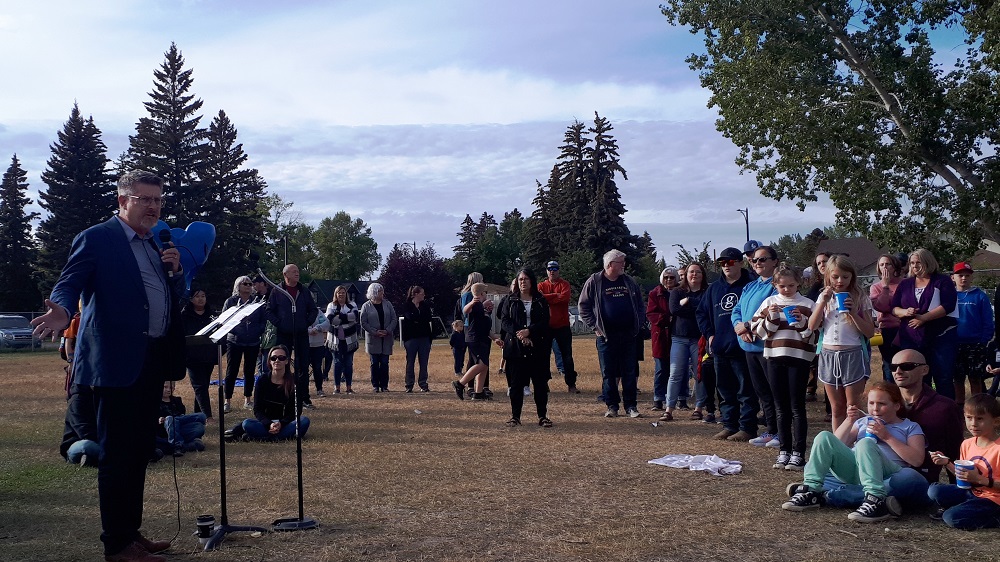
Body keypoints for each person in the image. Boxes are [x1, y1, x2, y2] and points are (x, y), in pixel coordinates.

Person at [32, 170, 184, 562]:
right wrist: (61, 312)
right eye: (144, 199)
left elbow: (162, 299)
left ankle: (130, 533)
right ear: (122, 201)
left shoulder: (154, 245)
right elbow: (70, 282)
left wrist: (177, 274)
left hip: (150, 361)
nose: (153, 206)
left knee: (139, 451)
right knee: (118, 455)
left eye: (158, 200)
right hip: (115, 363)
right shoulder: (98, 238)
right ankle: (117, 545)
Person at [818, 349, 964, 512]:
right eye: (894, 367)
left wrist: (956, 491)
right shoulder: (882, 400)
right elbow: (839, 445)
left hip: (910, 475)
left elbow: (956, 450)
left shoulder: (944, 407)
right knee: (824, 471)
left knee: (903, 481)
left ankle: (834, 495)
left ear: (925, 370)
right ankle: (881, 500)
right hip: (867, 472)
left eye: (907, 366)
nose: (898, 371)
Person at [782, 381, 926, 522]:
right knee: (823, 438)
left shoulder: (909, 427)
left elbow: (917, 460)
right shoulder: (863, 422)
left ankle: (850, 497)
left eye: (882, 404)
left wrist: (887, 437)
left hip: (887, 475)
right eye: (871, 403)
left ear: (896, 405)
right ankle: (811, 491)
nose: (875, 409)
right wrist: (849, 421)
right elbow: (833, 447)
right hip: (856, 472)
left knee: (909, 478)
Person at [750, 263, 817, 470]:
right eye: (781, 286)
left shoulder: (808, 304)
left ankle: (798, 452)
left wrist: (802, 322)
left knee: (797, 406)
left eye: (790, 285)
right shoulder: (769, 302)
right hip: (774, 358)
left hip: (799, 358)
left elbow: (814, 336)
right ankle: (783, 451)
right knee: (781, 407)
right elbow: (758, 332)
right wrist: (771, 318)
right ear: (775, 285)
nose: (786, 290)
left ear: (798, 283)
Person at [808, 255, 876, 430]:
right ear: (828, 276)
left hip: (853, 353)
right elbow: (812, 326)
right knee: (837, 408)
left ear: (852, 276)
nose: (840, 281)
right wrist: (822, 302)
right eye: (835, 277)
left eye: (845, 277)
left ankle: (855, 445)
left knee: (853, 407)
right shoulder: (823, 297)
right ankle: (838, 447)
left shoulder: (860, 297)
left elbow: (869, 332)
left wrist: (853, 312)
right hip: (829, 354)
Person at [578, 249, 646, 419]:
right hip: (605, 336)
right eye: (621, 262)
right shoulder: (595, 281)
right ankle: (612, 406)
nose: (624, 265)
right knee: (608, 372)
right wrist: (595, 327)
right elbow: (583, 306)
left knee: (629, 371)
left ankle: (631, 406)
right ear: (610, 265)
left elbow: (639, 304)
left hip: (629, 335)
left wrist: (638, 323)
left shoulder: (629, 281)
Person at [697, 247, 755, 440]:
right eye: (722, 263)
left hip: (744, 346)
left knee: (745, 390)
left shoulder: (751, 285)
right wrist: (710, 334)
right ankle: (729, 424)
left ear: (740, 262)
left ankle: (747, 427)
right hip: (720, 347)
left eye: (730, 262)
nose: (726, 266)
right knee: (724, 390)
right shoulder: (714, 288)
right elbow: (701, 313)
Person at [891, 248, 959, 399]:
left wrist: (924, 318)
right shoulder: (905, 284)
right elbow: (894, 308)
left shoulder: (942, 281)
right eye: (912, 263)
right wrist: (904, 312)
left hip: (940, 337)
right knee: (918, 377)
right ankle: (920, 412)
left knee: (943, 378)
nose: (915, 266)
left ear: (928, 262)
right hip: (912, 339)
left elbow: (948, 305)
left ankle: (946, 413)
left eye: (918, 262)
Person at [928, 393, 1000, 530]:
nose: (973, 424)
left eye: (980, 419)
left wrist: (980, 479)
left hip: (993, 499)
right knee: (934, 490)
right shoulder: (967, 444)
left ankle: (995, 518)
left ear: (995, 421)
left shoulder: (998, 448)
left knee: (950, 517)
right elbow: (964, 476)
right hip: (971, 492)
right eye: (969, 418)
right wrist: (946, 463)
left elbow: (978, 479)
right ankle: (966, 508)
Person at [732, 245, 780, 447]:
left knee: (775, 391)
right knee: (762, 391)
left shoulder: (778, 286)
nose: (757, 263)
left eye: (762, 259)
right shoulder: (750, 286)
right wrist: (739, 328)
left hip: (768, 346)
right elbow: (737, 310)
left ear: (774, 262)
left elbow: (774, 313)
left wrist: (750, 327)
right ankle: (771, 430)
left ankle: (781, 432)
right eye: (754, 260)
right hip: (749, 347)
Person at [498, 268, 553, 427]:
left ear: (532, 281)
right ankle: (515, 416)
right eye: (520, 279)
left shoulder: (540, 300)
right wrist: (520, 334)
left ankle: (542, 416)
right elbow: (505, 322)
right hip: (515, 348)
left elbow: (545, 323)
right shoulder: (510, 300)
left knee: (540, 383)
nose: (523, 282)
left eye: (526, 279)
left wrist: (530, 332)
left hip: (537, 347)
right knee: (516, 385)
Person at [267, 263, 319, 409]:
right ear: (285, 275)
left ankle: (304, 398)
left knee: (302, 366)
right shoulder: (277, 291)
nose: (297, 273)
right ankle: (283, 396)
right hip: (284, 334)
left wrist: (306, 323)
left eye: (298, 271)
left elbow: (313, 310)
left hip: (301, 334)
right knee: (282, 364)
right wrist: (280, 323)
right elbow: (268, 310)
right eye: (294, 271)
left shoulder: (304, 290)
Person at [662, 263, 707, 421]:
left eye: (698, 272)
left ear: (702, 274)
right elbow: (674, 310)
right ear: (686, 275)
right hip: (679, 338)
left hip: (699, 338)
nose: (694, 275)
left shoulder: (707, 292)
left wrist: (688, 304)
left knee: (699, 374)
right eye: (691, 272)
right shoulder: (677, 291)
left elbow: (706, 311)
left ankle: (698, 408)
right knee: (675, 374)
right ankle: (669, 409)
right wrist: (696, 309)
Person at [243, 345, 311, 440]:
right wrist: (269, 424)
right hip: (266, 424)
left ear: (287, 361)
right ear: (269, 361)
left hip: (286, 423)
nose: (277, 360)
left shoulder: (294, 380)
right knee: (247, 424)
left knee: (304, 421)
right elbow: (257, 409)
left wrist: (281, 424)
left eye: (281, 358)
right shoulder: (263, 380)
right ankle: (280, 437)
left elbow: (297, 410)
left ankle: (264, 438)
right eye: (273, 358)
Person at [952, 261, 994, 404]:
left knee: (975, 377)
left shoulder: (980, 296)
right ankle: (959, 406)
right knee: (957, 378)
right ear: (953, 277)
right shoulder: (949, 296)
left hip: (975, 344)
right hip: (954, 344)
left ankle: (977, 406)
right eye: (960, 275)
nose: (963, 278)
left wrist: (983, 340)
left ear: (971, 278)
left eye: (967, 275)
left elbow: (988, 321)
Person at [222, 275, 266, 412]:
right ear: (238, 286)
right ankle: (227, 401)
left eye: (249, 284)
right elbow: (224, 319)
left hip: (252, 341)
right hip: (234, 340)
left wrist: (257, 332)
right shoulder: (231, 301)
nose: (248, 286)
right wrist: (236, 331)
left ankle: (248, 399)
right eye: (244, 284)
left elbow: (263, 320)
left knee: (250, 371)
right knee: (232, 371)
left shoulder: (257, 302)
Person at [453, 283, 500, 400]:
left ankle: (478, 393)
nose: (487, 296)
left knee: (484, 366)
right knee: (481, 364)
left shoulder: (482, 308)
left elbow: (486, 328)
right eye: (486, 293)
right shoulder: (476, 305)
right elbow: (465, 310)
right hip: (475, 339)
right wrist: (474, 301)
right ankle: (460, 384)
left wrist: (495, 338)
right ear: (481, 293)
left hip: (483, 338)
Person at [539, 260, 580, 393]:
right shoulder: (541, 285)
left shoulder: (564, 284)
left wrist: (549, 298)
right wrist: (555, 296)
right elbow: (539, 299)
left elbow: (565, 298)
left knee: (567, 356)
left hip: (563, 326)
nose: (552, 271)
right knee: (544, 355)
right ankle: (543, 384)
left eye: (555, 269)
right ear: (546, 271)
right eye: (550, 269)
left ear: (558, 270)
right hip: (546, 326)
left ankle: (571, 384)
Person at [647, 266, 678, 412]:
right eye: (666, 277)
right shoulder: (655, 293)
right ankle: (658, 399)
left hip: (678, 334)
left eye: (672, 277)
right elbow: (651, 314)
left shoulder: (681, 292)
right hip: (660, 336)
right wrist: (667, 318)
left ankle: (679, 398)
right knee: (661, 368)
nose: (669, 280)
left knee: (678, 369)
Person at [181, 288, 216, 421]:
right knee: (200, 386)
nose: (201, 299)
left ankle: (198, 414)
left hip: (208, 356)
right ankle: (208, 416)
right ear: (191, 299)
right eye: (197, 296)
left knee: (204, 385)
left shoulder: (211, 314)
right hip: (192, 357)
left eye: (203, 295)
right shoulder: (184, 315)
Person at [869, 254, 904, 383]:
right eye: (882, 264)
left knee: (907, 362)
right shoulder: (876, 287)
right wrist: (885, 286)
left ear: (895, 266)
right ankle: (890, 393)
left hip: (906, 328)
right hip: (888, 330)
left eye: (888, 264)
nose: (884, 267)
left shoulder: (905, 283)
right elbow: (881, 307)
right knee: (890, 364)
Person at [359, 282, 398, 393]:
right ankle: (375, 385)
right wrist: (375, 332)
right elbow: (363, 322)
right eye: (380, 291)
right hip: (373, 339)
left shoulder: (388, 304)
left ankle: (384, 386)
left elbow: (394, 319)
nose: (382, 293)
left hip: (386, 338)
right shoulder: (366, 306)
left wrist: (387, 330)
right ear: (374, 292)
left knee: (385, 363)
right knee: (374, 363)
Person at [326, 285, 360, 394]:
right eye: (339, 292)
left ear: (346, 294)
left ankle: (349, 387)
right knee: (337, 363)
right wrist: (346, 317)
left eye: (343, 292)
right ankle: (337, 387)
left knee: (348, 363)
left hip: (349, 340)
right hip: (335, 340)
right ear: (335, 294)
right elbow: (331, 320)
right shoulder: (331, 305)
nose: (341, 294)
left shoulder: (352, 304)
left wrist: (339, 316)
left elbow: (354, 317)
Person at [156, 381, 206, 456]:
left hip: (179, 425)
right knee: (170, 419)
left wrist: (178, 418)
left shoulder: (177, 400)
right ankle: (179, 446)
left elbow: (182, 414)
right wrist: (159, 419)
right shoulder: (154, 402)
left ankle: (174, 445)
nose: (168, 390)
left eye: (171, 387)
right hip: (164, 430)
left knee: (200, 421)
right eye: (165, 387)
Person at [401, 285, 433, 392]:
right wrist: (418, 319)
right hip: (411, 338)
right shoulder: (407, 305)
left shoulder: (425, 306)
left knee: (424, 362)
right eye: (422, 293)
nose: (424, 295)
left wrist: (417, 320)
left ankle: (423, 383)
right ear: (415, 294)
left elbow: (428, 318)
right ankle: (409, 384)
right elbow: (409, 318)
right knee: (410, 362)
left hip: (424, 337)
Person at [60, 383, 100, 467]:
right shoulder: (77, 399)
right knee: (86, 446)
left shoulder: (104, 399)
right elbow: (84, 431)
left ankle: (91, 459)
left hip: (101, 443)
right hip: (78, 443)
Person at [306, 306, 330, 397]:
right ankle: (304, 391)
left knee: (317, 368)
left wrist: (317, 328)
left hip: (318, 345)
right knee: (304, 369)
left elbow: (327, 323)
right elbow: (298, 326)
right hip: (305, 345)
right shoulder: (300, 310)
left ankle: (319, 389)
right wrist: (308, 331)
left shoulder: (318, 311)